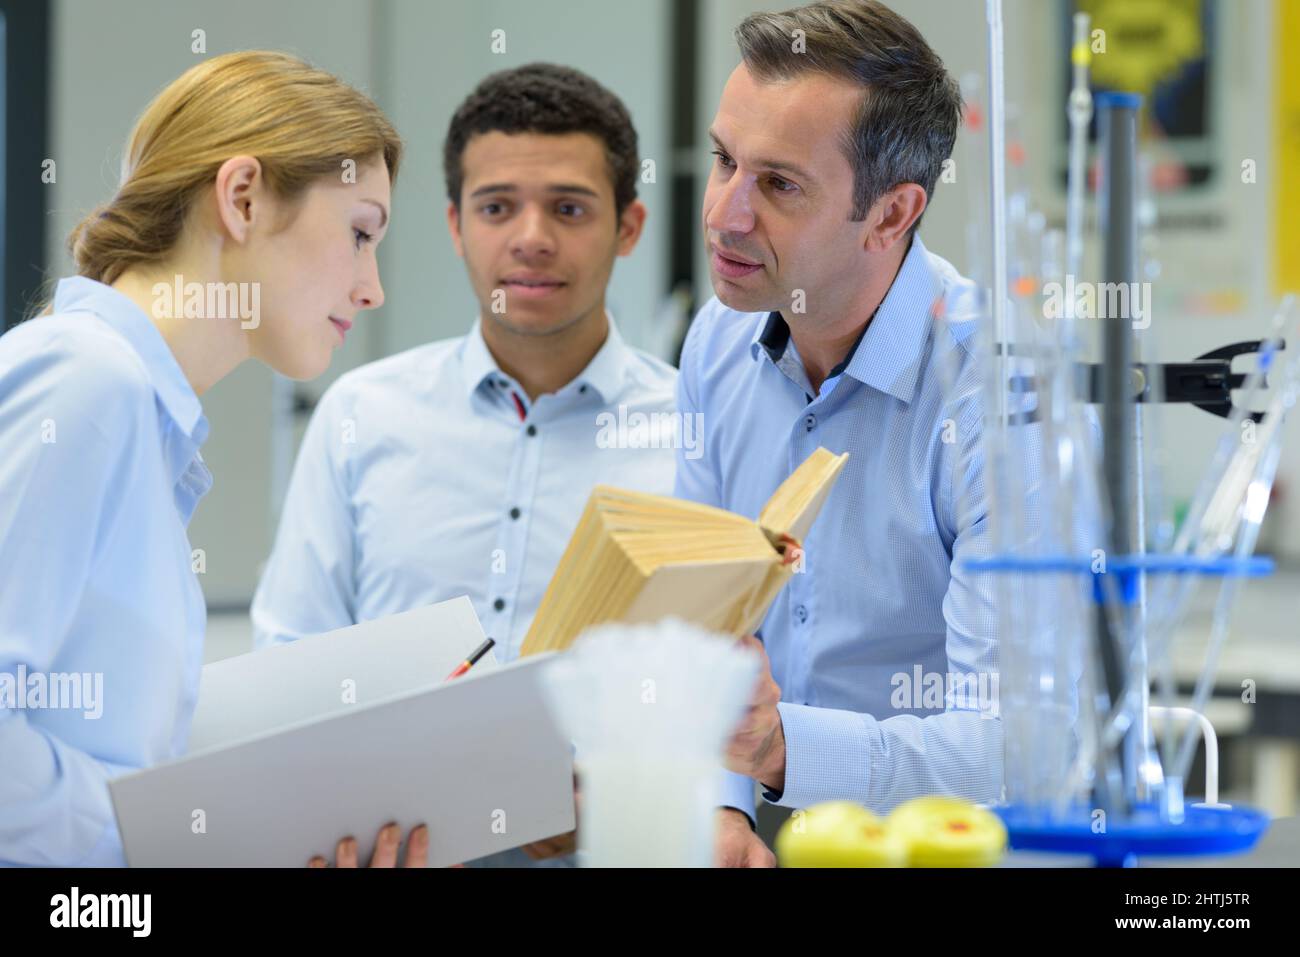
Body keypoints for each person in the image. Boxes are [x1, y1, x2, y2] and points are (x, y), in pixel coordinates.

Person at [0, 51, 420, 868]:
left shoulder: (144, 425)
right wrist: (176, 839)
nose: (373, 288)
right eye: (359, 233)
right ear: (243, 198)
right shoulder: (85, 381)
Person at [250, 64, 678, 865]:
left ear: (628, 227)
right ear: (454, 225)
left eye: (570, 207)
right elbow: (291, 667)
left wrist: (621, 794)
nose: (531, 236)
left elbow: (740, 694)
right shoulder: (361, 414)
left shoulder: (698, 433)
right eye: (496, 206)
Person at [675, 0, 1002, 867]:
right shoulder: (718, 342)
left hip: (948, 845)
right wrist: (722, 807)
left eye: (778, 185)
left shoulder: (996, 392)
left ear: (893, 214)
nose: (725, 215)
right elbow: (701, 633)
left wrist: (781, 748)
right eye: (723, 162)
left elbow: (1017, 749)